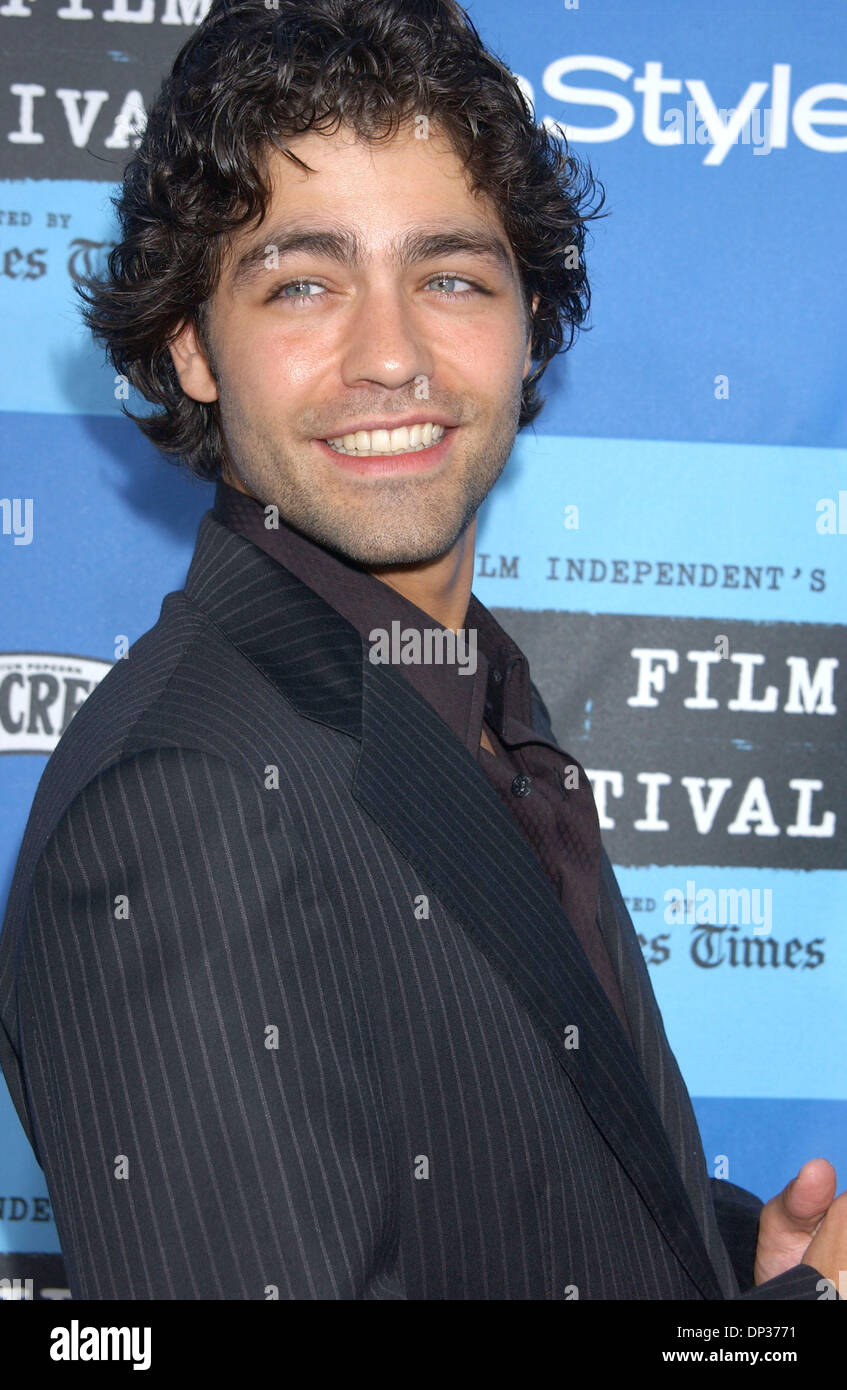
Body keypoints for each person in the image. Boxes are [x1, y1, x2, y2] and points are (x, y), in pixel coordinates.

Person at [0, 0, 843, 1300]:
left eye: (450, 275)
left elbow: (503, 1201)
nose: (391, 354)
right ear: (191, 347)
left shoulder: (467, 698)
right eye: (303, 283)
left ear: (525, 320)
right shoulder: (182, 810)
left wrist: (738, 1262)